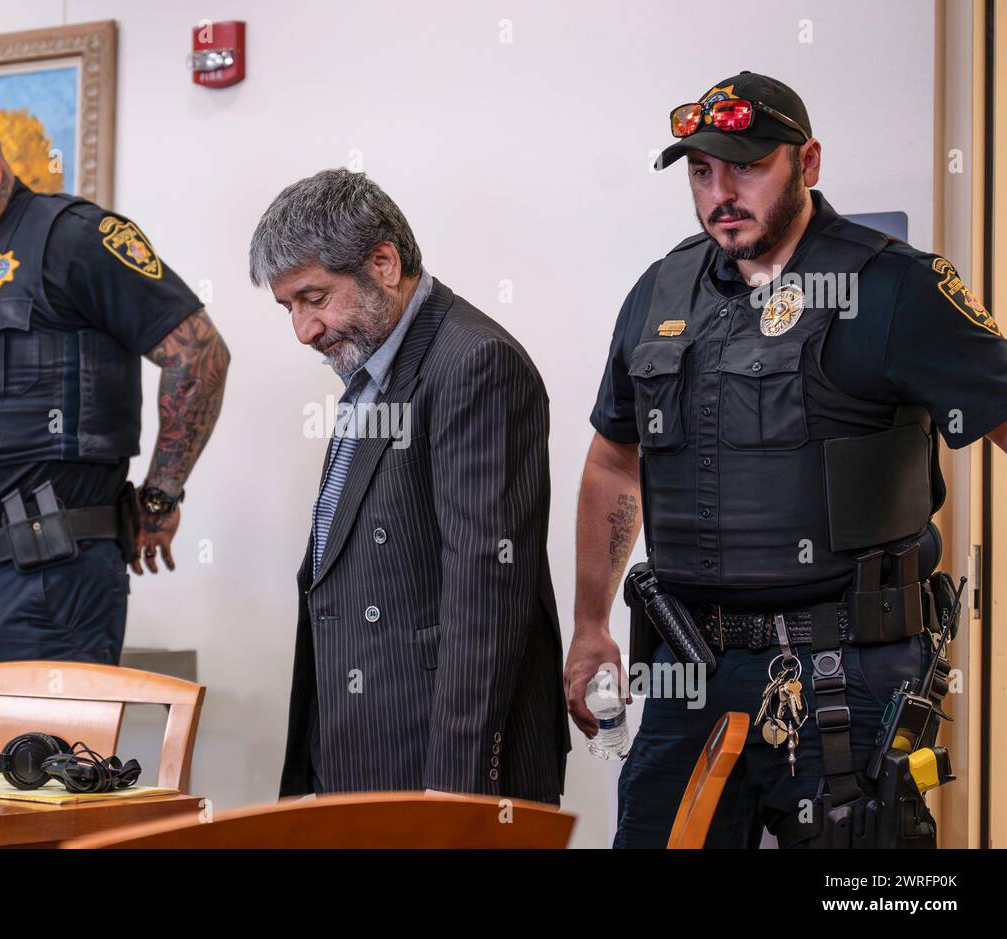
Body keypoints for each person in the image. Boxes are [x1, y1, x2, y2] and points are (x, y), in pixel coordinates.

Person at [566, 72, 1007, 847]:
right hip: (687, 668)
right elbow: (613, 458)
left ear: (807, 164)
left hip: (850, 674)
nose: (720, 193)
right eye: (701, 171)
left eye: (745, 166)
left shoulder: (894, 286)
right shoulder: (661, 289)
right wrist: (591, 621)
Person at [251, 169, 570, 804]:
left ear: (384, 263)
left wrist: (456, 793)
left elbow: (489, 594)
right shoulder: (371, 369)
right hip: (359, 752)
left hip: (441, 769)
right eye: (288, 308)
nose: (303, 331)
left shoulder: (476, 364)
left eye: (314, 298)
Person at [0, 106, 230, 670]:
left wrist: (161, 496)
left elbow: (198, 353)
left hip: (49, 585)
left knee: (32, 761)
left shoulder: (74, 240)